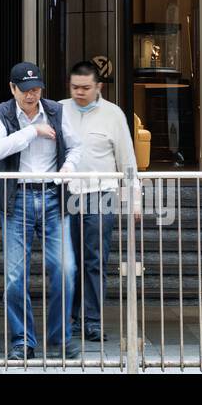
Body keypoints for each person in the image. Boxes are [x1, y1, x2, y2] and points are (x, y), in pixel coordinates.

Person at [0, 61, 80, 361]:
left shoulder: (56, 110)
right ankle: (21, 340)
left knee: (65, 268)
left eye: (36, 89)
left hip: (53, 196)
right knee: (15, 276)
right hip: (18, 200)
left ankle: (59, 337)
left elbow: (77, 147)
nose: (32, 96)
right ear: (13, 89)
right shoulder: (0, 114)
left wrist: (68, 166)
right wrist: (32, 132)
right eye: (25, 90)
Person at [61, 61, 138, 343]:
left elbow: (127, 158)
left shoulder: (113, 114)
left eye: (85, 87)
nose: (79, 93)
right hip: (65, 193)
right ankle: (70, 317)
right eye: (75, 87)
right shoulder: (59, 110)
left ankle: (91, 321)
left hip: (101, 194)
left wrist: (134, 198)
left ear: (99, 87)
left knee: (94, 260)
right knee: (67, 260)